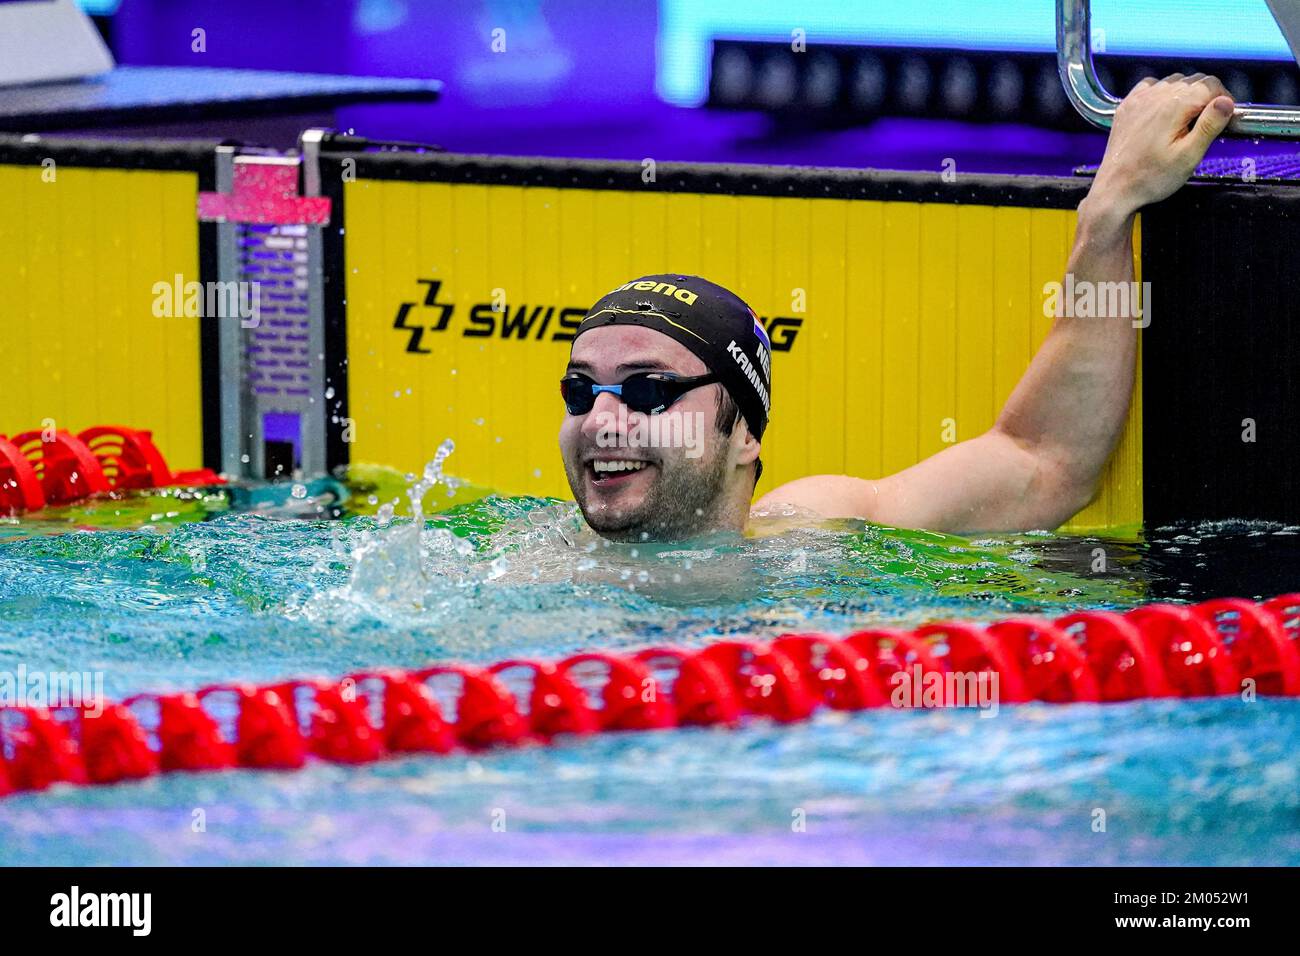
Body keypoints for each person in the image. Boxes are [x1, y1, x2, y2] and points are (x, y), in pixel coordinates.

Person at [558, 74, 1236, 541]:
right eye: (581, 391)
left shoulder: (816, 533)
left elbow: (1043, 461)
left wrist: (1108, 212)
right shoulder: (514, 565)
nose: (601, 421)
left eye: (649, 390)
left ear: (745, 434)